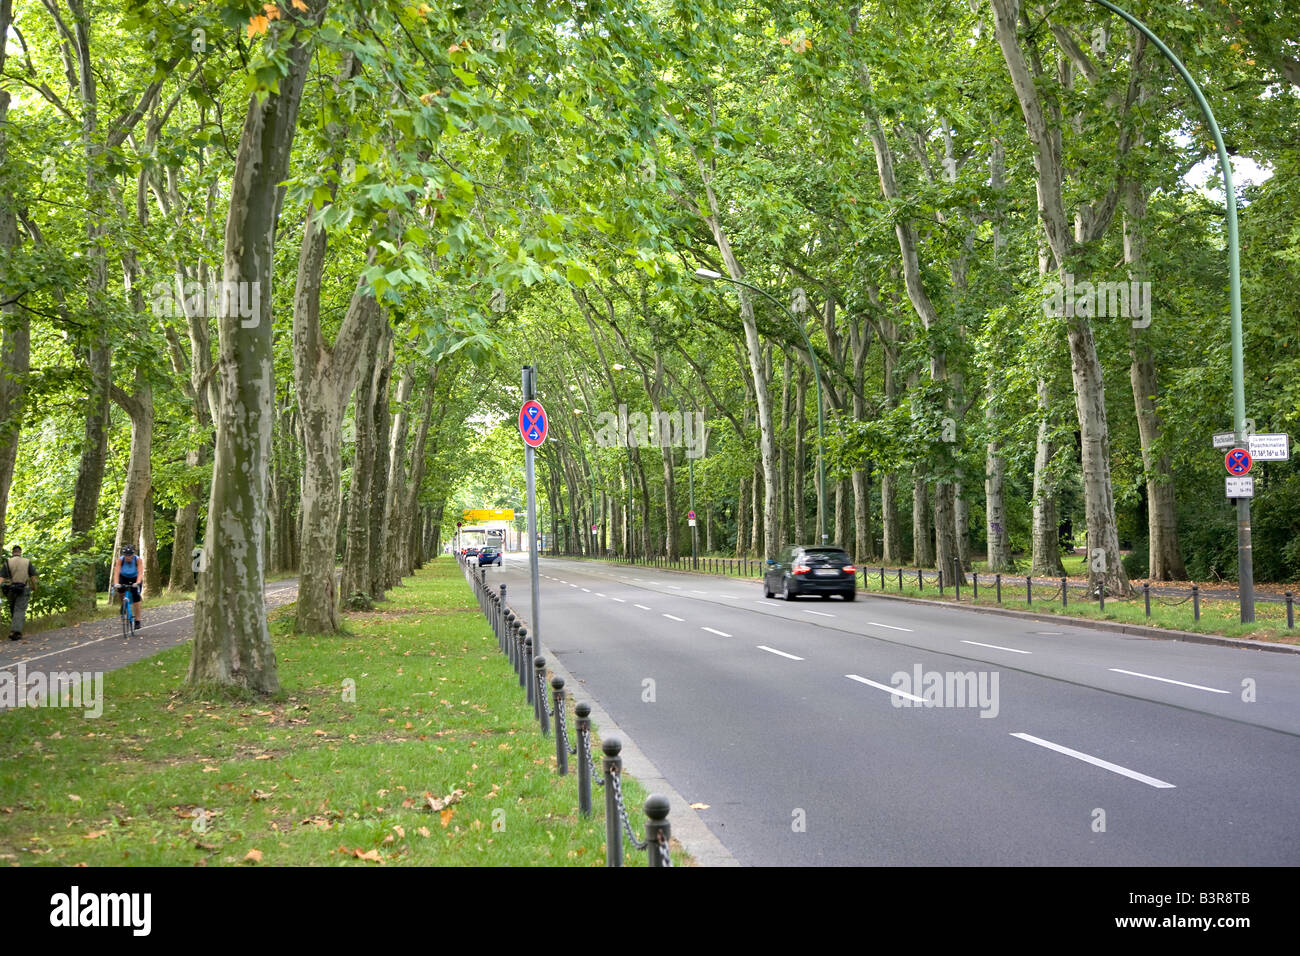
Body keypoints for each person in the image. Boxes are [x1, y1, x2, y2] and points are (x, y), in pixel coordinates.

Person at [0, 545, 37, 641]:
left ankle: (15, 630)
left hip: (10, 589)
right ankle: (15, 631)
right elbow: (32, 576)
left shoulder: (7, 562)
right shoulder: (27, 562)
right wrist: (34, 587)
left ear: (12, 552)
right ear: (20, 552)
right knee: (19, 610)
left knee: (13, 609)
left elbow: (1, 578)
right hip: (24, 588)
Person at [110, 544, 144, 630]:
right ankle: (123, 604)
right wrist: (116, 583)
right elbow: (117, 572)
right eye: (126, 555)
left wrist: (138, 582)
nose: (128, 557)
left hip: (135, 578)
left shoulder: (138, 560)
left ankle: (137, 620)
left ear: (133, 554)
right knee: (120, 591)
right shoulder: (120, 560)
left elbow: (140, 572)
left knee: (136, 597)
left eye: (130, 555)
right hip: (123, 577)